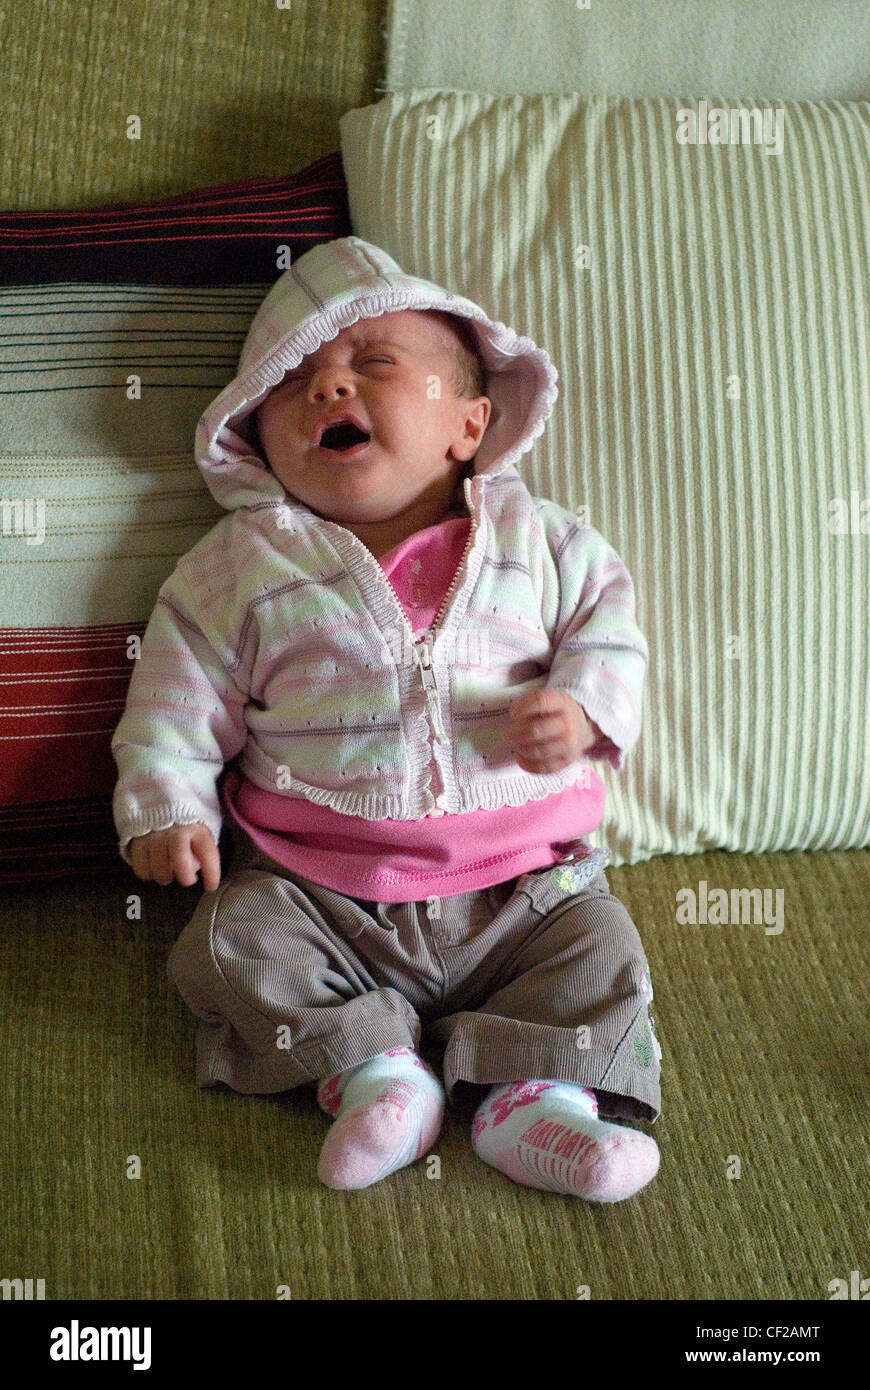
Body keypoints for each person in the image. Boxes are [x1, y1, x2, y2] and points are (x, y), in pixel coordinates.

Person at [111, 235, 661, 1202]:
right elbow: (177, 690)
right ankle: (373, 1074)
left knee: (604, 948)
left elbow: (612, 637)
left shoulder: (544, 543)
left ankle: (537, 1104)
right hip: (317, 892)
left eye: (372, 364)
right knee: (225, 944)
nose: (329, 389)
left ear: (469, 424)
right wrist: (166, 804)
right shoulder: (240, 567)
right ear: (256, 439)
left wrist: (581, 712)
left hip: (525, 894)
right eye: (294, 383)